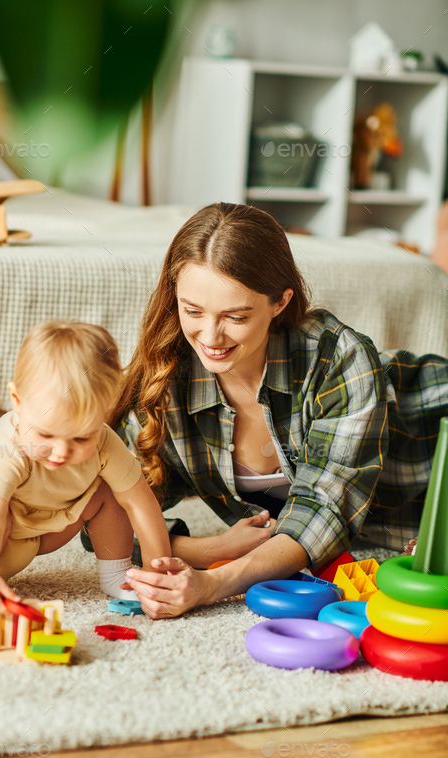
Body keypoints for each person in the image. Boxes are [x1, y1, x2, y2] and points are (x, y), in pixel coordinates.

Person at [108, 202, 448, 619]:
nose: (210, 336)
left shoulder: (337, 357)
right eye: (192, 311)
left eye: (236, 316)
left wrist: (214, 582)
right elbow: (107, 513)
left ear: (280, 301)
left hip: (431, 431)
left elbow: (321, 513)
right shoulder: (164, 381)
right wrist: (210, 549)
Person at [0, 320, 171, 612]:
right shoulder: (2, 449)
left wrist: (157, 570)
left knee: (113, 491)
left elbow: (141, 503)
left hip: (38, 533)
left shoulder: (104, 441)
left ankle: (116, 573)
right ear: (16, 400)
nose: (62, 451)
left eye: (81, 437)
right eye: (46, 434)